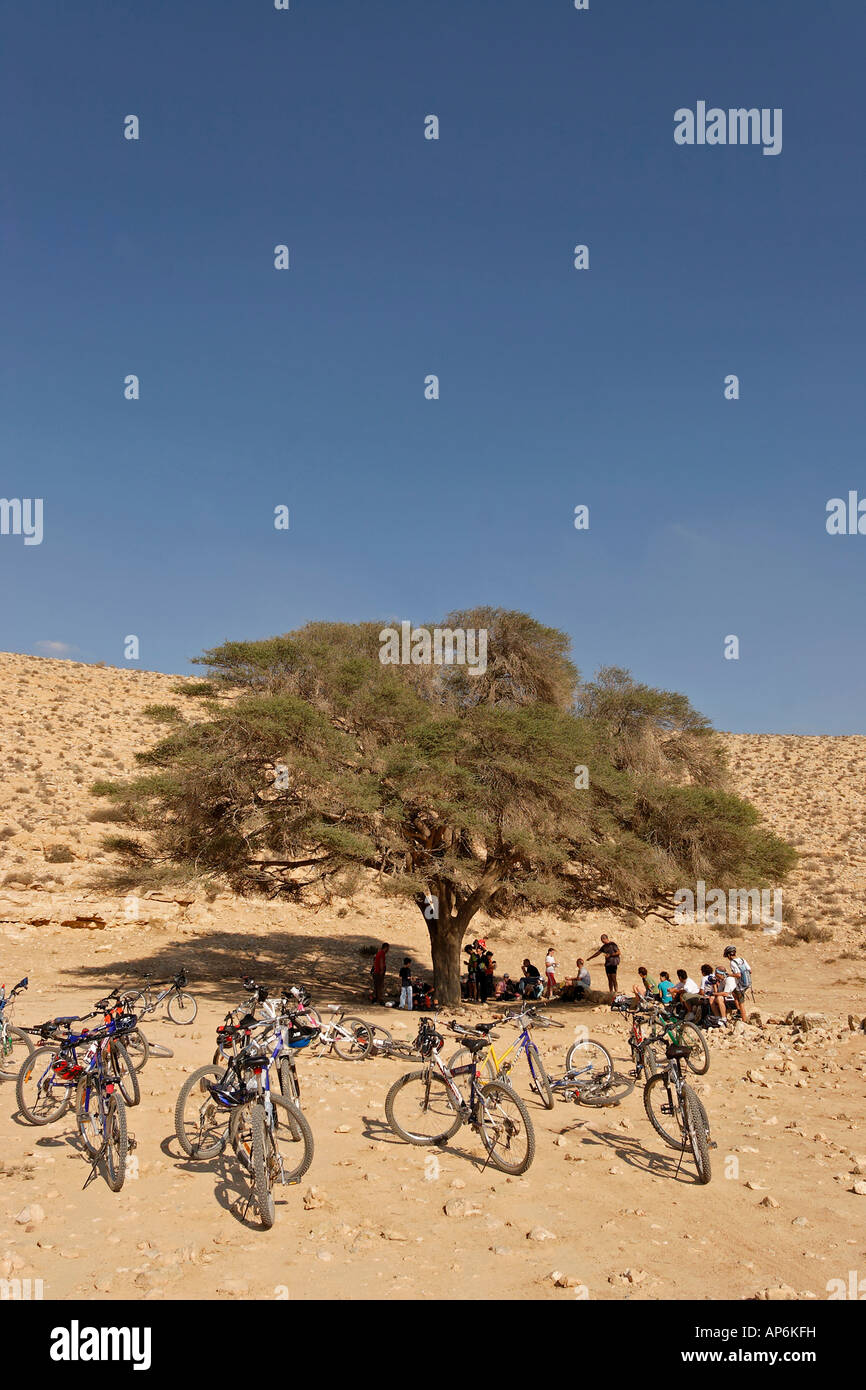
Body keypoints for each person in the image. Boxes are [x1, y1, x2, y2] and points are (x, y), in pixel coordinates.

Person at [723, 945, 752, 1022]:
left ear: (729, 955)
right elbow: (750, 971)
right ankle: (738, 1011)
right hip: (747, 983)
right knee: (734, 993)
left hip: (741, 985)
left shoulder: (732, 962)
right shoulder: (742, 960)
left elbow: (738, 975)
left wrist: (729, 974)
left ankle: (744, 1020)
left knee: (741, 1002)